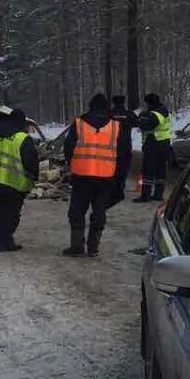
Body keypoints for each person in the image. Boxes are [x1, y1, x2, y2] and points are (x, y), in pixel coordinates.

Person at [62, 93, 131, 257]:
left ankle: (77, 246)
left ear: (90, 106)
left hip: (81, 176)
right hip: (106, 178)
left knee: (77, 212)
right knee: (99, 212)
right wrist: (120, 177)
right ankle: (93, 247)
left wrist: (72, 165)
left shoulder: (79, 123)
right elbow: (124, 155)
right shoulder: (116, 126)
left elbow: (68, 148)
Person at [0, 108, 39, 252]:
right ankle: (7, 241)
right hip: (15, 183)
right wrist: (34, 176)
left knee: (0, 212)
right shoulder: (22, 138)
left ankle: (0, 242)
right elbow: (31, 161)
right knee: (12, 214)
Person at [134, 92, 172, 203]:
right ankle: (158, 194)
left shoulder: (154, 114)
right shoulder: (165, 112)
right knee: (160, 170)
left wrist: (141, 117)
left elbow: (144, 125)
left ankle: (146, 195)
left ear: (150, 103)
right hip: (164, 143)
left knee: (148, 170)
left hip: (153, 143)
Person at [109, 95, 135, 206]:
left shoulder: (109, 114)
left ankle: (112, 190)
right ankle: (120, 190)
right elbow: (137, 123)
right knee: (123, 168)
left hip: (111, 145)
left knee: (112, 168)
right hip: (125, 145)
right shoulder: (129, 114)